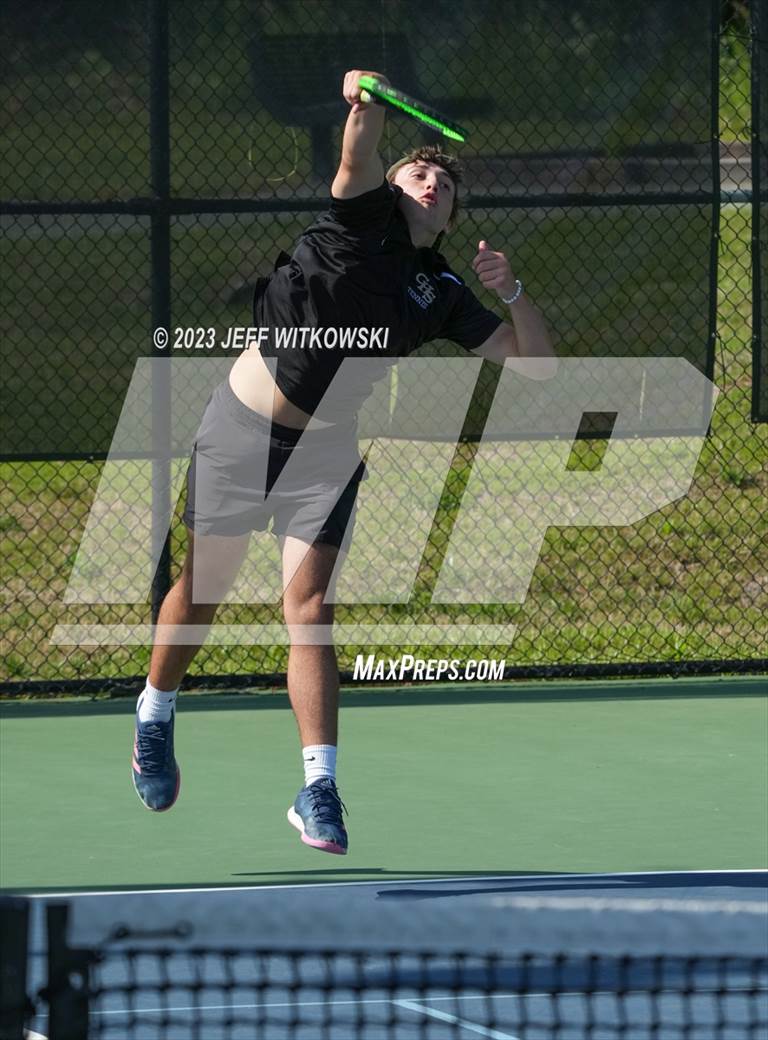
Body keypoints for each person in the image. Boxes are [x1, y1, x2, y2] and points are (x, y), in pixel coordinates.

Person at [131, 69, 557, 855]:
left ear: (451, 215)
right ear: (393, 190)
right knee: (203, 593)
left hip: (325, 454)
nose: (431, 183)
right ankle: (154, 714)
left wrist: (515, 291)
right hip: (242, 433)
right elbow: (357, 156)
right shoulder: (360, 218)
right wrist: (363, 103)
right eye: (418, 173)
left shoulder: (440, 290)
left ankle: (318, 788)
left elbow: (535, 365)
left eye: (443, 185)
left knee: (312, 613)